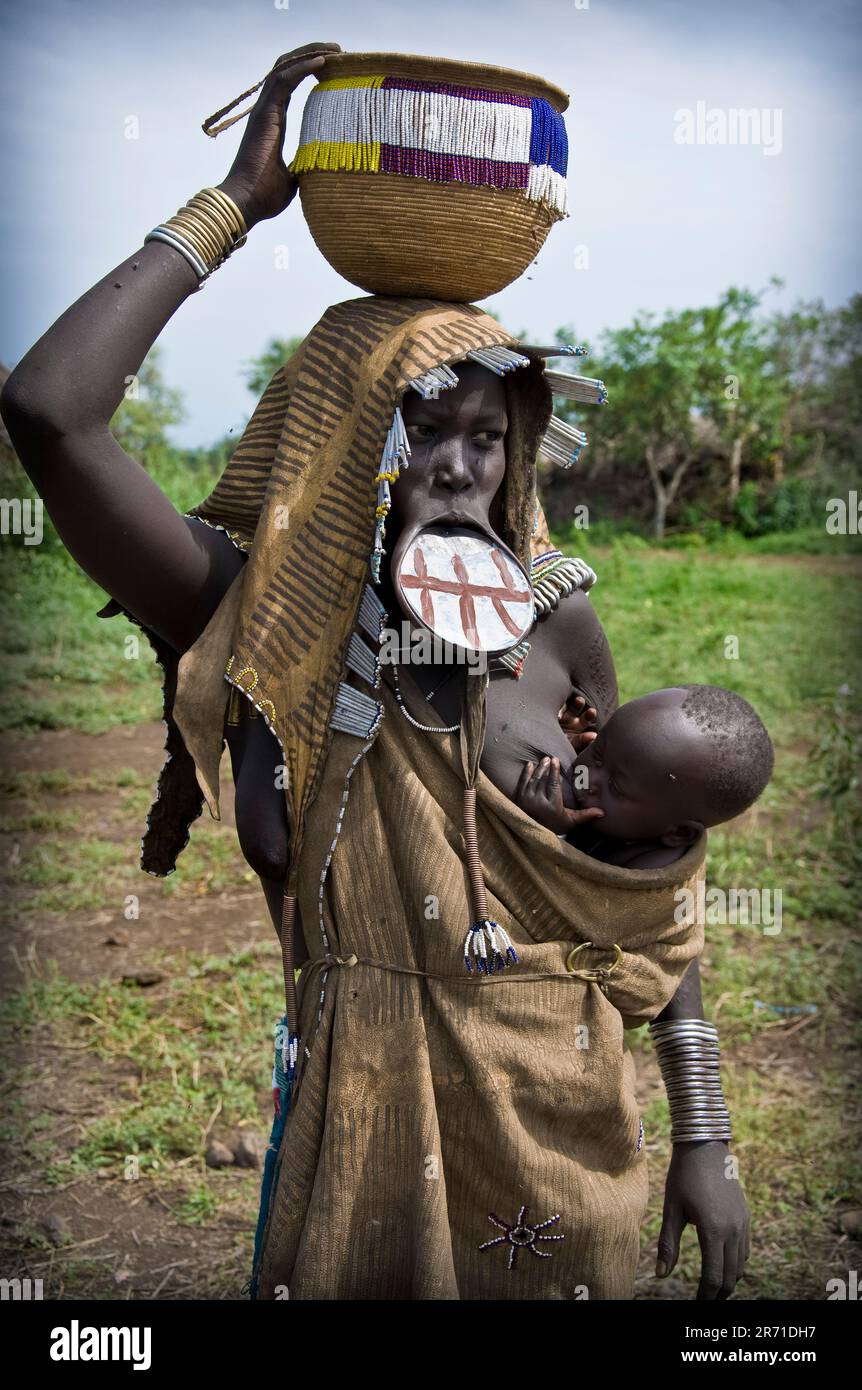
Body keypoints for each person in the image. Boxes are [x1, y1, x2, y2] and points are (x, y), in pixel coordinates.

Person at [0, 43, 751, 1300]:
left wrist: (705, 1132)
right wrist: (231, 207)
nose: (458, 468)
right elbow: (48, 411)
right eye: (419, 424)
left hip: (563, 1152)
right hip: (359, 1142)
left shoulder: (554, 626)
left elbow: (643, 895)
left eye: (485, 436)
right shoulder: (254, 620)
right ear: (342, 434)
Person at [514, 685, 775, 869]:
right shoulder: (637, 814)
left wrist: (548, 834)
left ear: (679, 832)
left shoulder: (650, 873)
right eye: (598, 750)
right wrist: (561, 739)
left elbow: (566, 906)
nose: (587, 776)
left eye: (615, 785)